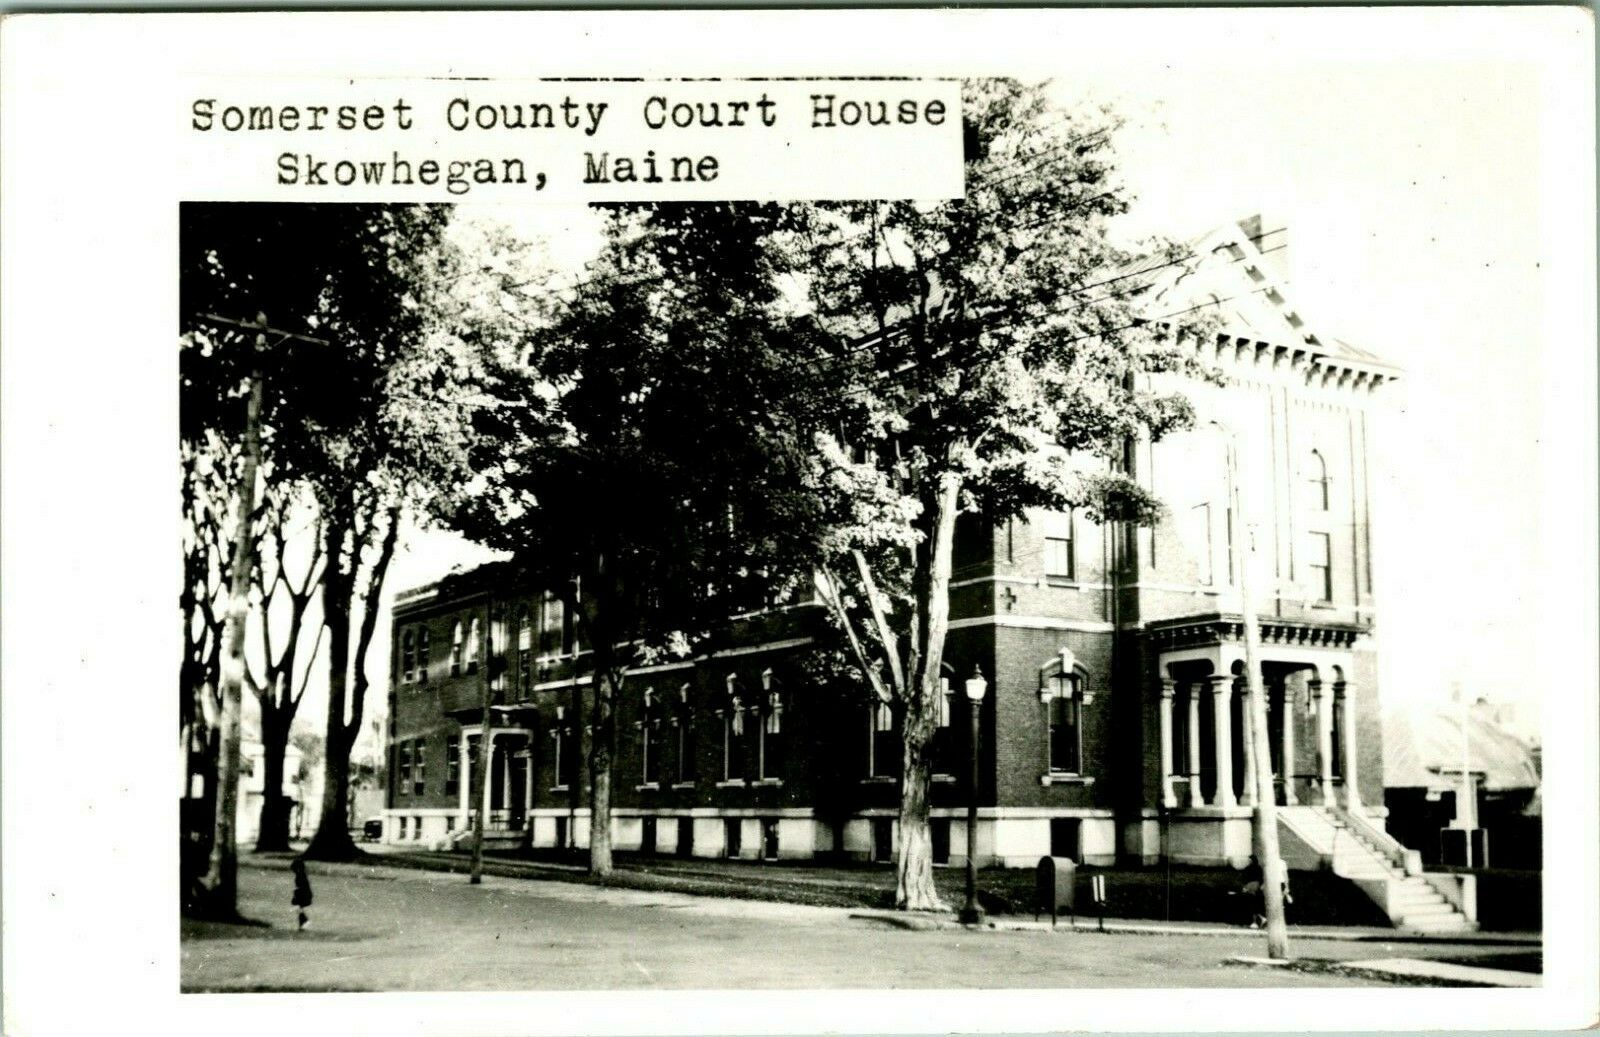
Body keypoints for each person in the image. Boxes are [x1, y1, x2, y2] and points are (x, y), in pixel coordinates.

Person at [290, 857, 313, 930]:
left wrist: (296, 893)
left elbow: (301, 886)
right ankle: (302, 922)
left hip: (303, 894)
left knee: (297, 907)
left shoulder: (300, 876)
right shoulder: (301, 875)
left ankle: (304, 921)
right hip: (303, 894)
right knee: (298, 908)